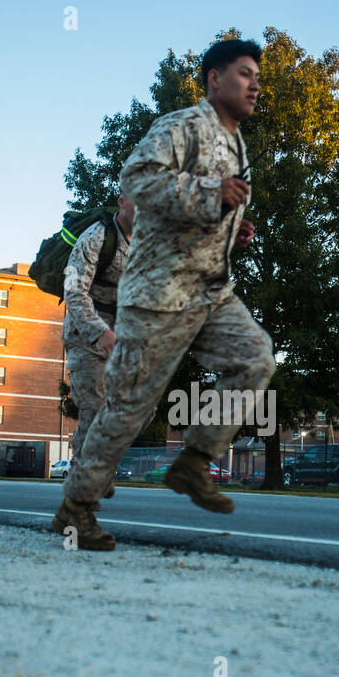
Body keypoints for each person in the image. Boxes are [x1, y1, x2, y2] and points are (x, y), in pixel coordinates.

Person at [53, 39, 276, 550]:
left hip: (209, 291)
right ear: (214, 79)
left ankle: (195, 462)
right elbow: (138, 177)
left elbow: (195, 219)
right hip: (155, 295)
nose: (254, 84)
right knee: (129, 406)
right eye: (244, 73)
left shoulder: (236, 145)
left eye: (257, 75)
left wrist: (232, 227)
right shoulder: (182, 126)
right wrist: (210, 195)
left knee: (255, 359)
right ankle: (77, 507)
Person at [63, 196, 135, 499]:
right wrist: (99, 333)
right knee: (94, 406)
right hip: (85, 332)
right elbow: (74, 292)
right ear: (122, 201)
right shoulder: (96, 238)